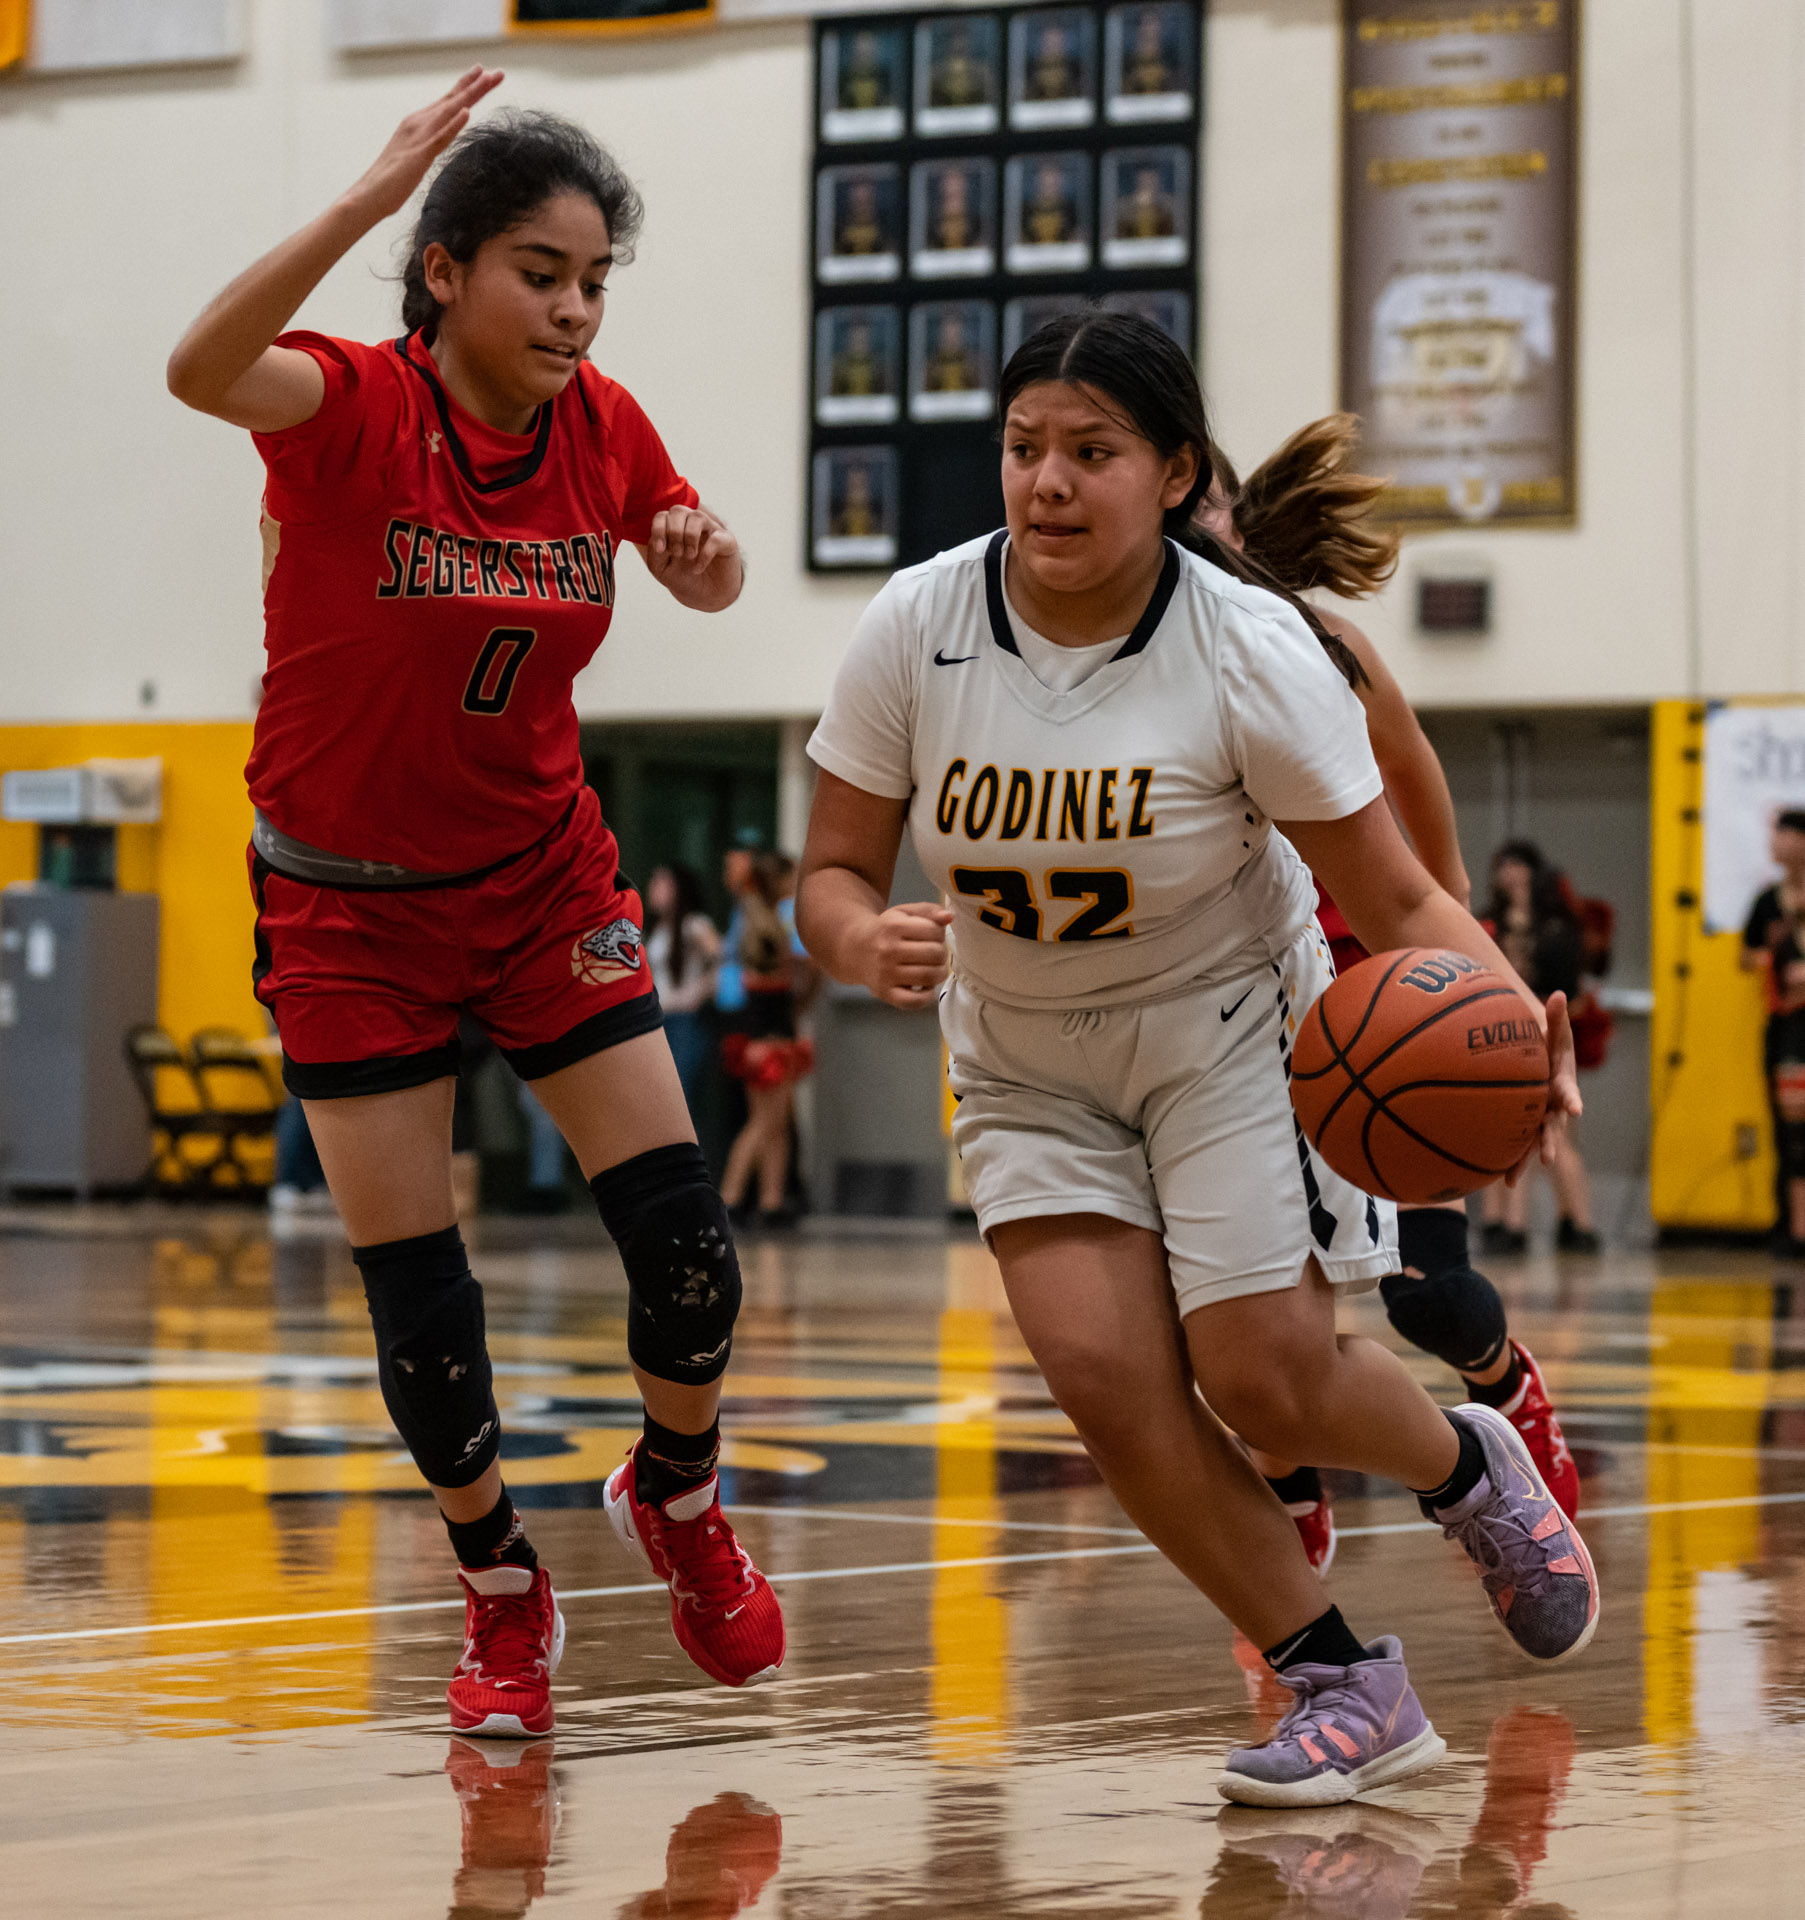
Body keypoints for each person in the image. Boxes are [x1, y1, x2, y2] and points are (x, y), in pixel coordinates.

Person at [796, 310, 1598, 1806]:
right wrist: (855, 942)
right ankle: (1341, 1681)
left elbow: (1400, 892)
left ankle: (1466, 1468)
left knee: (1268, 1382)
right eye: (1025, 446)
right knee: (1105, 1381)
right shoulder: (913, 622)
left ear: (1172, 475)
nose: (1046, 481)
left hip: (1226, 1032)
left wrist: (1512, 1016)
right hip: (1025, 1058)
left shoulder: (1251, 646)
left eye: (1090, 452)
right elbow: (830, 869)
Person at [165, 73, 784, 1737]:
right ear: (445, 272)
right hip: (346, 905)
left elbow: (687, 553)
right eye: (540, 270)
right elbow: (196, 367)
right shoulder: (350, 404)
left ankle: (677, 1493)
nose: (577, 308)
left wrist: (710, 564)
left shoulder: (607, 424)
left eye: (596, 280)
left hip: (537, 882)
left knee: (691, 1254)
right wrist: (367, 195)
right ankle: (501, 1584)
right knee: (426, 1316)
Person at [1194, 417, 1582, 1552]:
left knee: (1423, 1291)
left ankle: (1507, 1390)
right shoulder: (1119, 667)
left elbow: (1432, 852)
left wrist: (1468, 996)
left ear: (1233, 522)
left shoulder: (1325, 652)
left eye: (1208, 507)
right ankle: (1293, 1510)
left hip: (1371, 998)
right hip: (1231, 1013)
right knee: (1245, 1321)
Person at [1480, 841, 1598, 1255]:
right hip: (1499, 1035)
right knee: (1501, 1137)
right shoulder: (1489, 924)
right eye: (1502, 866)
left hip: (1544, 1034)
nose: (1508, 874)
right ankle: (1503, 1224)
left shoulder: (1558, 930)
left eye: (1517, 866)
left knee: (1554, 1135)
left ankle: (1577, 1223)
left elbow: (1573, 993)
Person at [720, 851, 814, 1225]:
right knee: (763, 1124)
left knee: (774, 1126)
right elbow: (774, 980)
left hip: (770, 1036)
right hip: (767, 1038)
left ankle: (771, 1200)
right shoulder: (763, 928)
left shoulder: (764, 922)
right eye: (790, 878)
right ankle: (730, 1196)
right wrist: (805, 969)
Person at [1742, 809, 1805, 1256]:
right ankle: (1791, 1226)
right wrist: (1774, 962)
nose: (1775, 842)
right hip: (1786, 1023)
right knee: (1789, 1130)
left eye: (1784, 835)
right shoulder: (1769, 899)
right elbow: (1746, 955)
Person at [645, 863, 722, 1121]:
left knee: (679, 1103)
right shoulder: (659, 930)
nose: (653, 887)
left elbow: (724, 960)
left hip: (685, 1023)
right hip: (659, 1021)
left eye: (661, 881)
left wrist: (696, 992)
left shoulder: (694, 925)